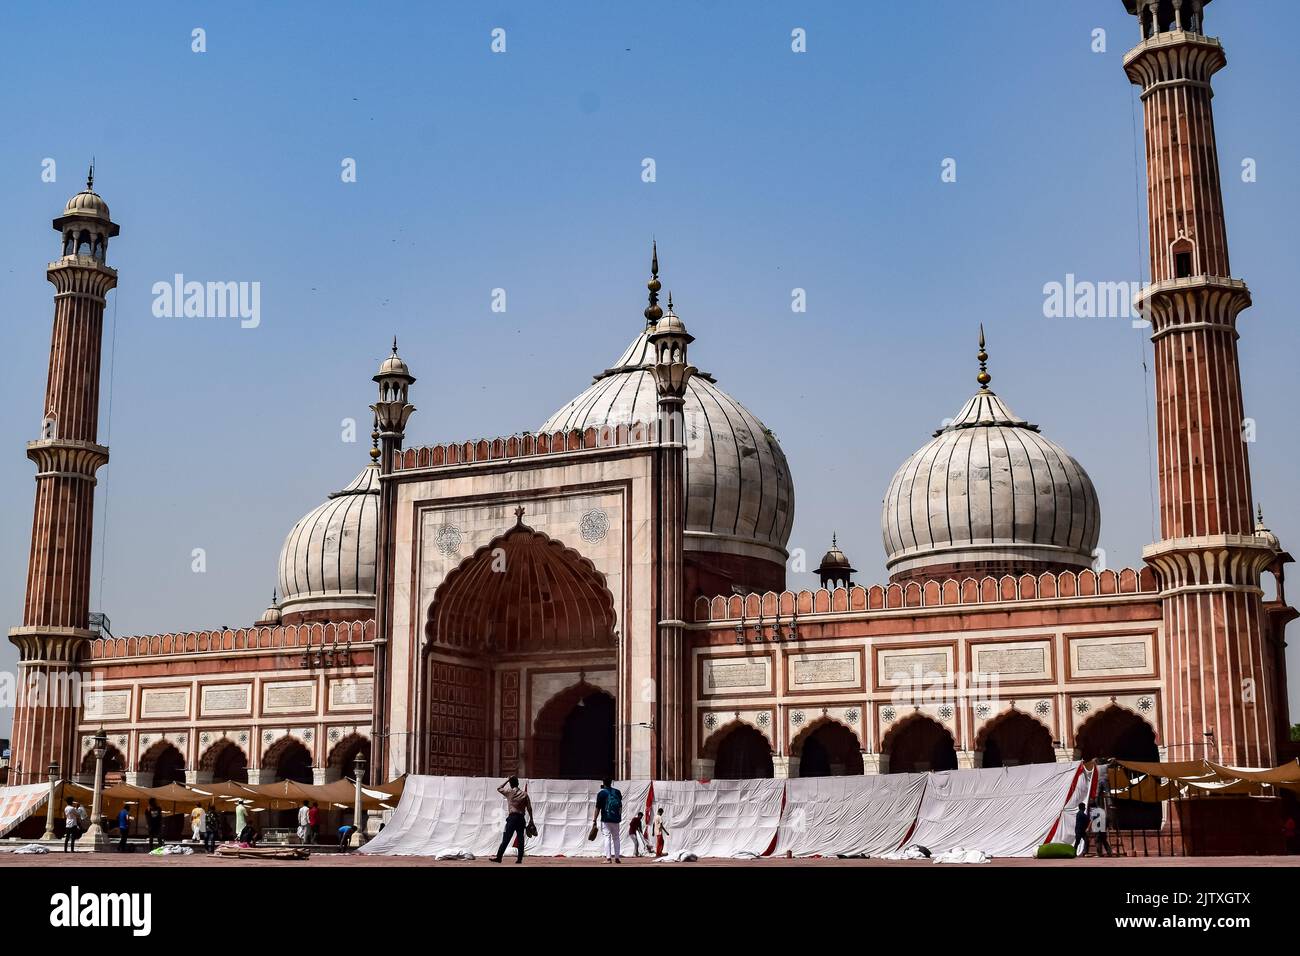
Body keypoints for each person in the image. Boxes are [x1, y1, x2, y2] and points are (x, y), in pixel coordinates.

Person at [492, 776, 534, 864]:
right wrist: (531, 820)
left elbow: (499, 788)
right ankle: (519, 859)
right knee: (520, 839)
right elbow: (529, 808)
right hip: (521, 818)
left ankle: (499, 857)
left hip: (512, 818)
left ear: (511, 784)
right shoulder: (524, 794)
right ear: (518, 784)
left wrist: (507, 780)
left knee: (506, 838)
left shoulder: (509, 792)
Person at [593, 778, 623, 864]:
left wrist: (594, 819)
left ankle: (608, 858)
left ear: (603, 783)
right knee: (616, 838)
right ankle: (617, 858)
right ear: (611, 783)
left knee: (607, 837)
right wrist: (618, 816)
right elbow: (620, 805)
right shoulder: (617, 792)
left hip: (606, 819)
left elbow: (597, 808)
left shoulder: (601, 793)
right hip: (616, 819)